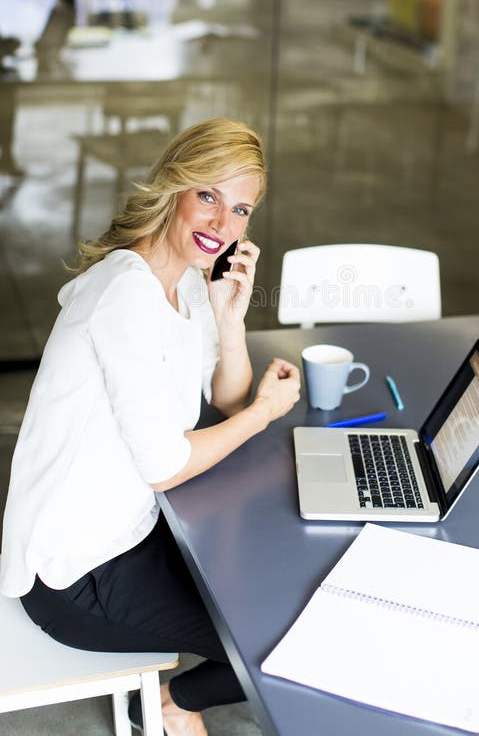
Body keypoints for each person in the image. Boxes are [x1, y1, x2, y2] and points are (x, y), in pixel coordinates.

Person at [0, 117, 301, 735]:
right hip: (78, 571)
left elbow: (227, 396)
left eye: (240, 209)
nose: (223, 225)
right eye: (209, 196)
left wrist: (230, 318)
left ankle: (173, 704)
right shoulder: (125, 296)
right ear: (176, 186)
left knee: (276, 588)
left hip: (135, 530)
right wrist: (263, 414)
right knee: (277, 642)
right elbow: (168, 462)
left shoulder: (184, 282)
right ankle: (173, 703)